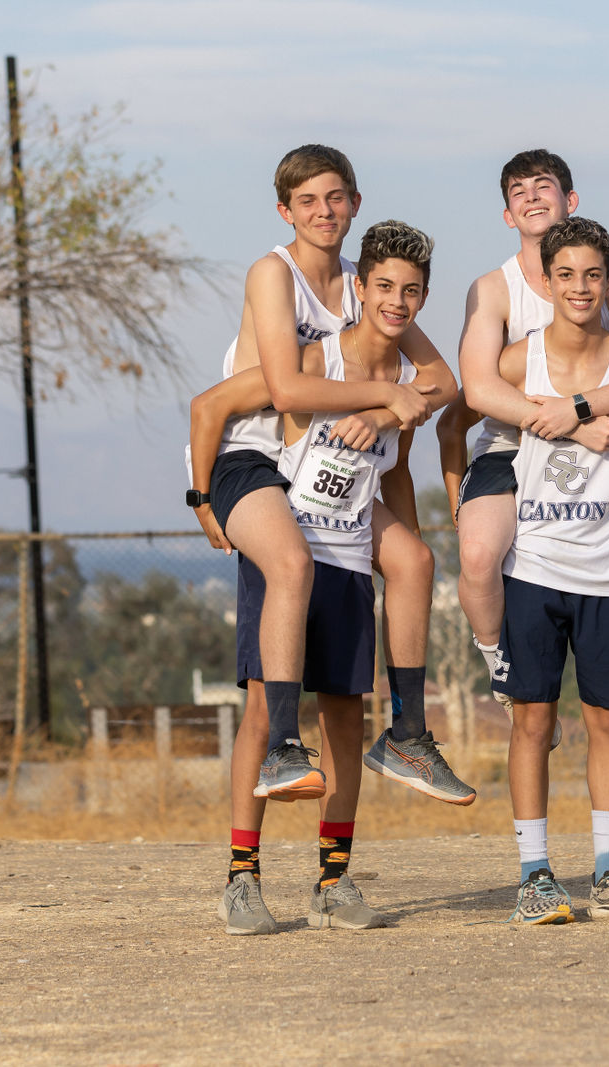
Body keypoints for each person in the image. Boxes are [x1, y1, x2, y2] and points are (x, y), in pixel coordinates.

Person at [200, 221, 458, 933]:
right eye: (383, 287)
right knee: (263, 709)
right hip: (281, 513)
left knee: (346, 711)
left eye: (410, 291)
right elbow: (226, 402)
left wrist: (404, 540)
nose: (395, 300)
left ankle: (333, 878)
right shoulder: (307, 353)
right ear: (360, 289)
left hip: (346, 536)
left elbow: (404, 453)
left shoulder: (401, 380)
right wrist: (203, 499)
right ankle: (242, 875)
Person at [441, 149, 609, 748]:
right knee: (478, 556)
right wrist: (562, 423)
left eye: (545, 186)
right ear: (507, 214)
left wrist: (583, 411)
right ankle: (503, 672)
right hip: (512, 449)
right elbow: (477, 388)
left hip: (603, 451)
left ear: (569, 201)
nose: (533, 196)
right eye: (519, 190)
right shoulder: (492, 289)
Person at [491, 218, 609, 925]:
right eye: (564, 274)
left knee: (606, 723)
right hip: (535, 567)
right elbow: (462, 411)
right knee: (532, 722)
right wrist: (460, 488)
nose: (579, 287)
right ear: (545, 278)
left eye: (592, 275)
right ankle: (535, 876)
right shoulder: (518, 360)